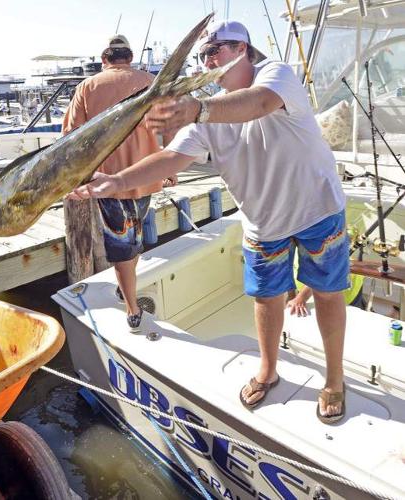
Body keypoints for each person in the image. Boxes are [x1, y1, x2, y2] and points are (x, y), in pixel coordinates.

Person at [68, 21, 349, 424]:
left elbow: (259, 103)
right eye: (205, 53)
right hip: (263, 221)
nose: (210, 57)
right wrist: (118, 180)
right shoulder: (206, 115)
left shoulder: (276, 75)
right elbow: (171, 159)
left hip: (317, 208)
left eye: (221, 47)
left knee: (326, 292)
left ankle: (334, 379)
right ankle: (268, 371)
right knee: (266, 299)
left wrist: (197, 109)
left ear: (246, 50)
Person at [62, 34, 163, 332]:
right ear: (129, 57)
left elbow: (70, 134)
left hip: (107, 180)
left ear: (105, 59)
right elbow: (170, 124)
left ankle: (132, 309)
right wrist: (172, 168)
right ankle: (128, 289)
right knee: (135, 235)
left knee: (121, 244)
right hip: (147, 173)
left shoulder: (87, 86)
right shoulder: (150, 81)